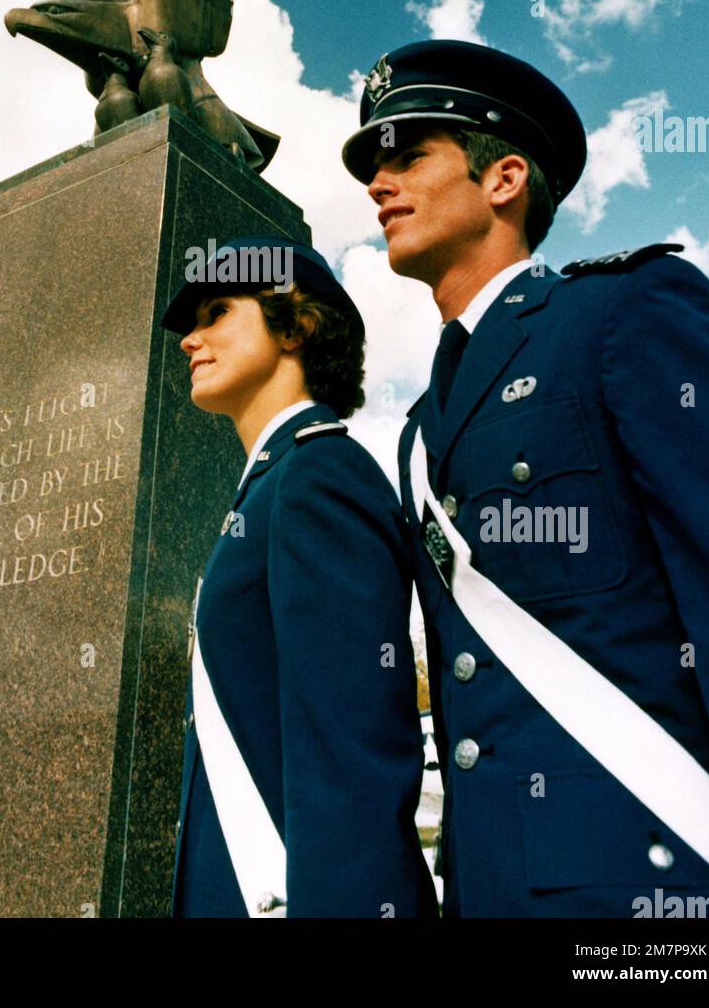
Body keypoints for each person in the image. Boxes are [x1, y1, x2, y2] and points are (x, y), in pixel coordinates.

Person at [342, 39, 709, 918]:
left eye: (409, 156)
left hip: (653, 882)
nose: (377, 185)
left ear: (504, 180)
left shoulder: (624, 313)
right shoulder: (420, 428)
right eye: (373, 167)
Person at [159, 235, 438, 918]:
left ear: (295, 324)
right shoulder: (268, 484)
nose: (189, 341)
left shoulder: (317, 473)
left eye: (216, 312)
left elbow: (354, 752)